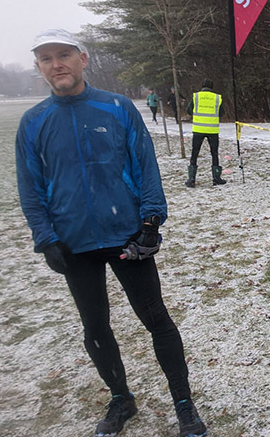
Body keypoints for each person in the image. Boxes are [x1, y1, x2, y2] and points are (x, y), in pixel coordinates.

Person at [15, 29, 207, 437]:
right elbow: (30, 187)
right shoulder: (33, 122)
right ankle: (121, 398)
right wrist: (45, 238)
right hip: (74, 243)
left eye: (64, 55)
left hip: (127, 238)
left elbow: (145, 166)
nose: (56, 64)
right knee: (96, 328)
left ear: (82, 59)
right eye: (46, 58)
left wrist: (151, 223)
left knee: (156, 320)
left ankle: (184, 403)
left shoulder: (117, 108)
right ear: (39, 67)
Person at [185, 79, 226, 187]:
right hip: (212, 130)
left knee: (195, 153)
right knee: (214, 153)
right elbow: (222, 112)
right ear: (212, 87)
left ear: (202, 86)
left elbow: (189, 110)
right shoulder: (217, 98)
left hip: (198, 129)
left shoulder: (196, 96)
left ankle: (191, 178)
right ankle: (216, 177)